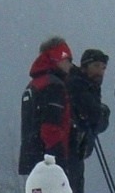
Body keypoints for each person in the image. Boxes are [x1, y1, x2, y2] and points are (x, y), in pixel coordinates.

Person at [18, 36, 74, 177]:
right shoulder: (53, 85)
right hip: (49, 161)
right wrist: (59, 158)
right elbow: (50, 127)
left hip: (32, 159)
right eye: (67, 60)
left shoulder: (33, 85)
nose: (70, 65)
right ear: (57, 58)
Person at [68, 48, 111, 193]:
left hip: (76, 151)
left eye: (103, 68)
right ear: (85, 66)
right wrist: (103, 112)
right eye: (96, 66)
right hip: (71, 150)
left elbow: (95, 118)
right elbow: (95, 116)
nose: (100, 71)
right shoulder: (78, 85)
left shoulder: (87, 86)